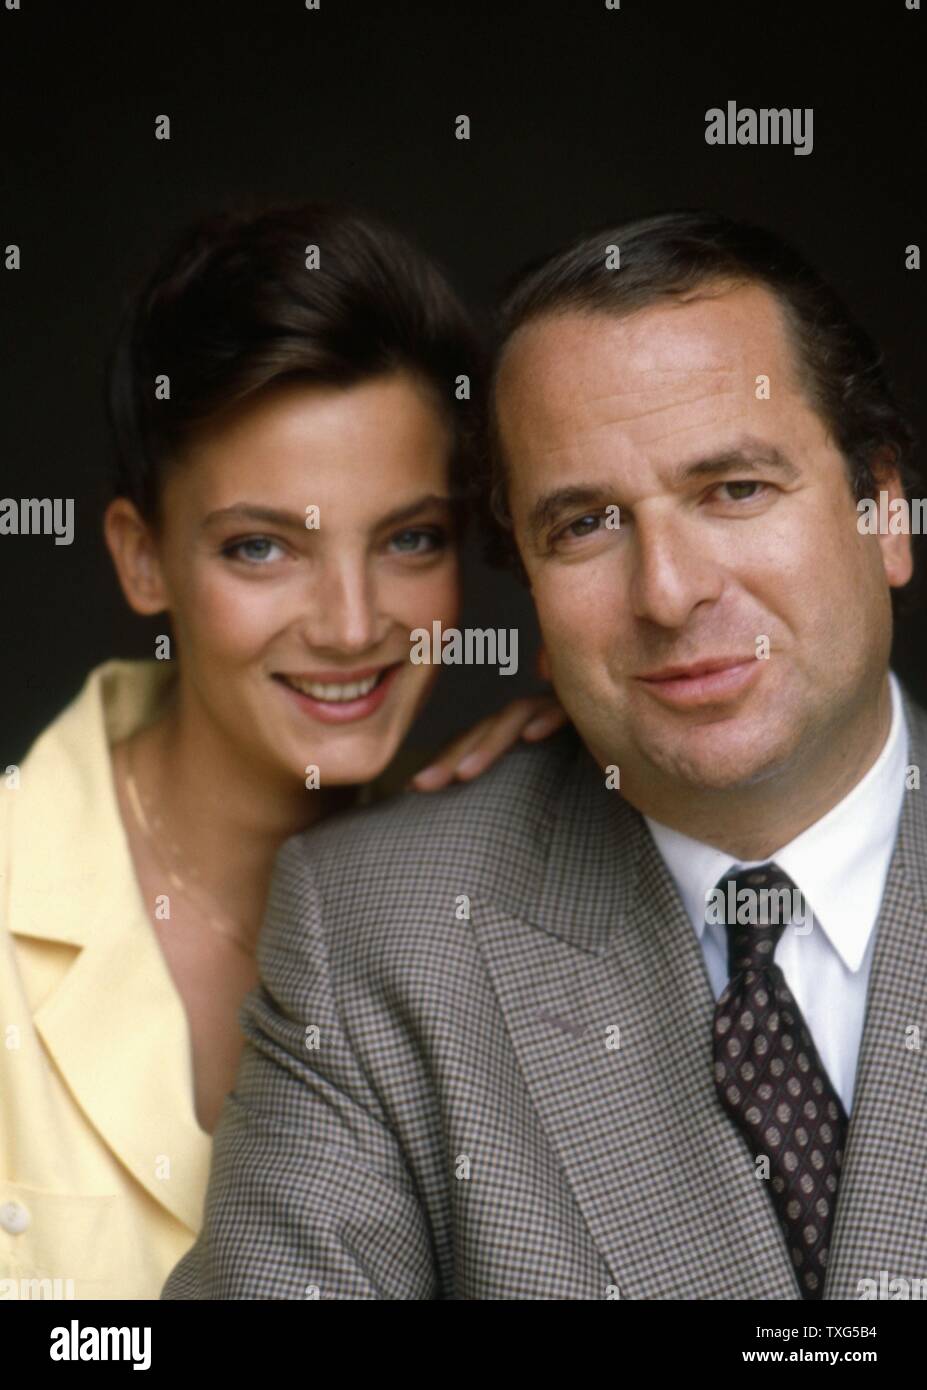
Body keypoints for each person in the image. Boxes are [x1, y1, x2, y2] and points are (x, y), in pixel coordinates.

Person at [163, 210, 926, 1301]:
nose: (668, 591)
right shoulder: (380, 937)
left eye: (735, 490)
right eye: (586, 525)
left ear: (885, 511)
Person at [0, 202, 565, 1301]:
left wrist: (577, 796)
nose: (352, 624)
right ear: (143, 559)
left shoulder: (508, 877)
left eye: (410, 539)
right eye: (262, 547)